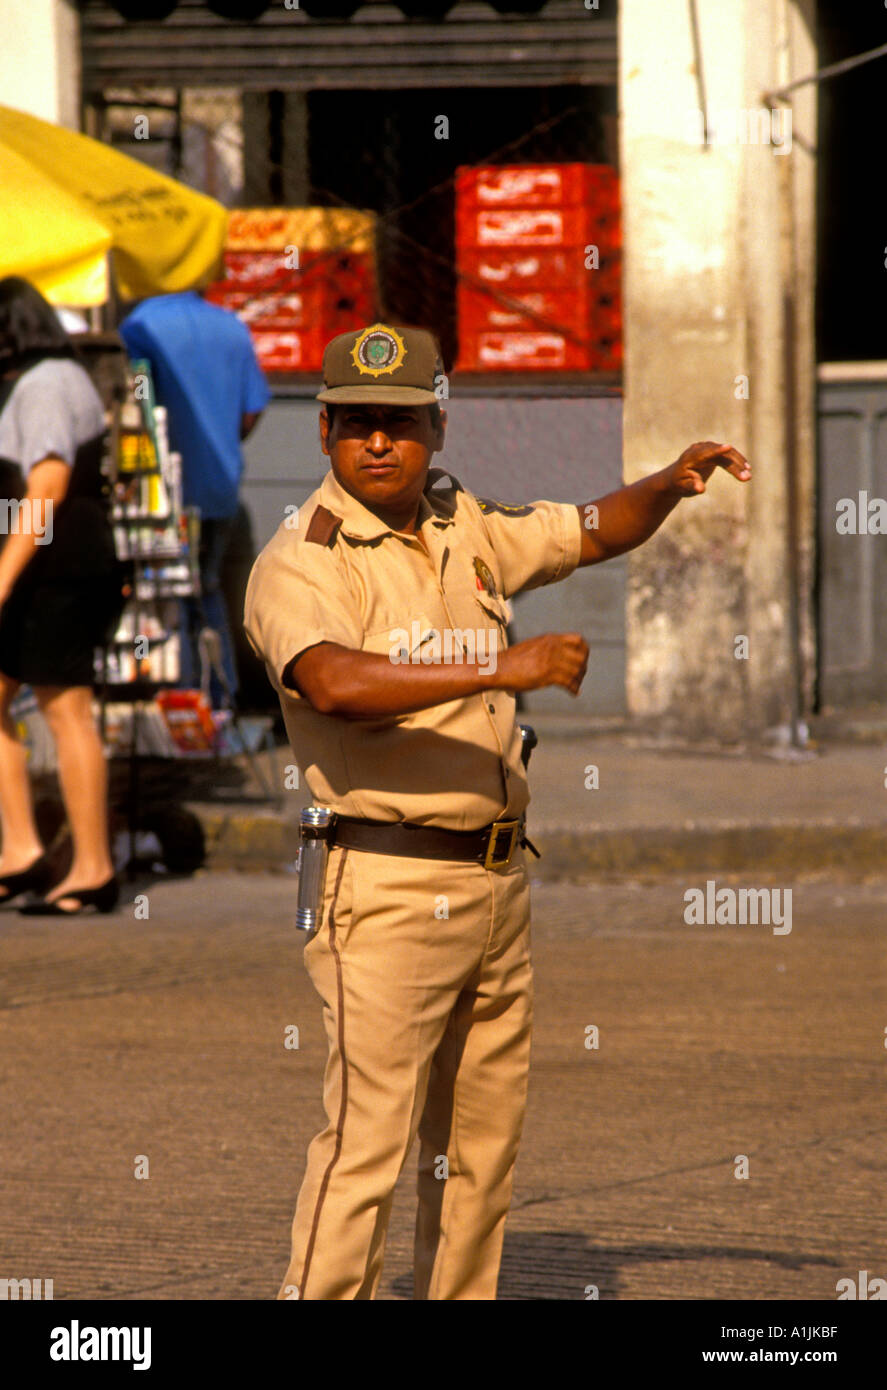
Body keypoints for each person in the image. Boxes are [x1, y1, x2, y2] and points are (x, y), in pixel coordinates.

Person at [243, 322, 751, 1300]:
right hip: (381, 885)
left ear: (435, 424)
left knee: (478, 1151)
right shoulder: (303, 556)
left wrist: (666, 482)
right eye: (355, 423)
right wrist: (500, 663)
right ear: (322, 434)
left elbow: (586, 528)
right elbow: (335, 681)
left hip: (492, 881)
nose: (377, 443)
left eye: (397, 422)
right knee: (365, 1147)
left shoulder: (457, 521)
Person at [0, 277, 125, 916]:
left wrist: (2, 574)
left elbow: (45, 486)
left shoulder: (44, 382)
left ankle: (94, 869)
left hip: (56, 566)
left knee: (67, 709)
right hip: (57, 561)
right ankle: (20, 850)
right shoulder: (61, 375)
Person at [118, 290, 270, 708]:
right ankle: (218, 701)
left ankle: (184, 702)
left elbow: (132, 404)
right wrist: (220, 442)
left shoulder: (138, 327)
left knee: (164, 598)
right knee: (205, 589)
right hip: (218, 487)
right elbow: (251, 409)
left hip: (157, 492)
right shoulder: (230, 327)